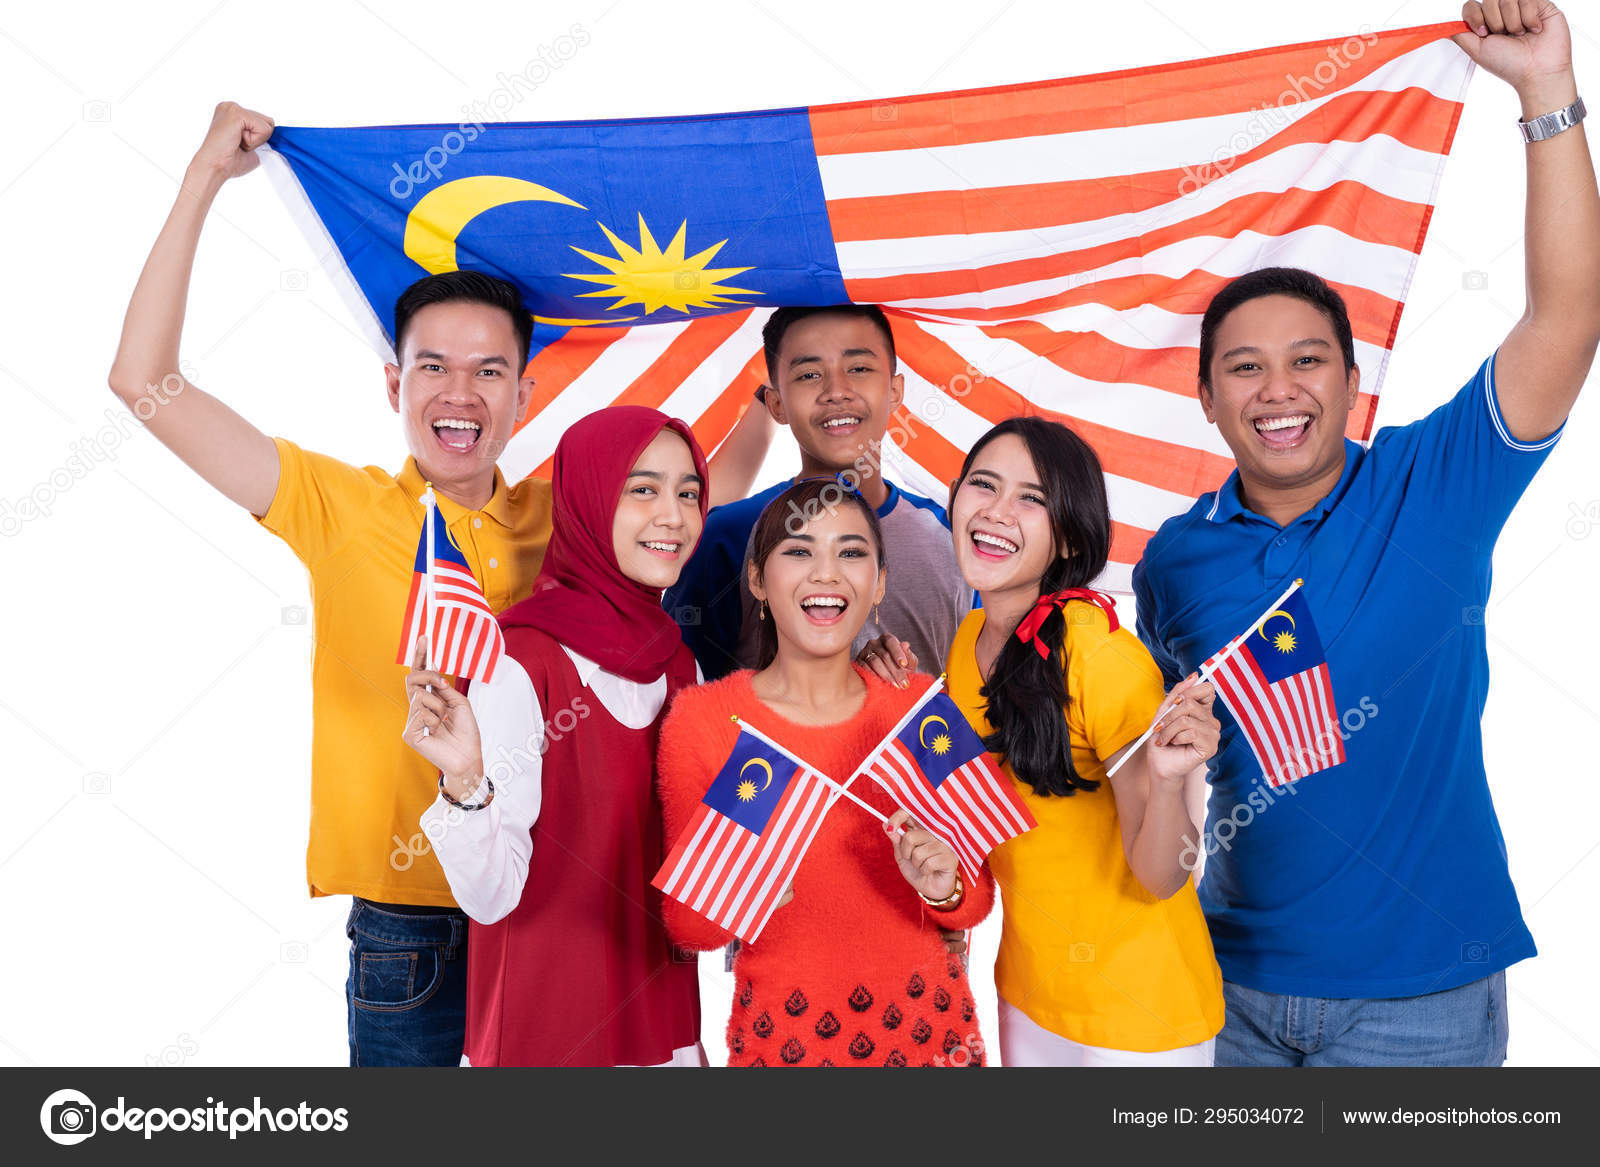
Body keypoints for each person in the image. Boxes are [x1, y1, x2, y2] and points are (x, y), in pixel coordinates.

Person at [105, 102, 771, 1065]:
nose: (461, 394)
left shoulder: (569, 519)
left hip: (555, 915)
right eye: (434, 369)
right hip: (414, 929)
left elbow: (698, 502)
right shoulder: (337, 506)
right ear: (393, 386)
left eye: (490, 371)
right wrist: (204, 177)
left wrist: (772, 384)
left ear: (526, 394)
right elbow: (143, 382)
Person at [1132, 2, 1600, 1067]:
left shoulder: (1436, 483)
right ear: (1206, 400)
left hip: (1422, 1002)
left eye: (1307, 360)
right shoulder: (1172, 561)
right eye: (1243, 368)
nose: (1278, 388)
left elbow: (1567, 316)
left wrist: (1542, 94)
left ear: (1353, 382)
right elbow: (1172, 763)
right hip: (1232, 986)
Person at [401, 406, 708, 1066]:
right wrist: (462, 783)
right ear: (588, 499)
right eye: (643, 488)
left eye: (689, 492)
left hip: (662, 1030)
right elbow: (490, 898)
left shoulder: (683, 667)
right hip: (545, 1037)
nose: (674, 516)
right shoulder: (522, 661)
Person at [657, 480, 995, 1066]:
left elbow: (978, 897)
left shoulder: (918, 707)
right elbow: (690, 928)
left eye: (851, 552)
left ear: (880, 582)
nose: (826, 573)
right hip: (783, 1043)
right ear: (758, 580)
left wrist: (946, 887)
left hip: (933, 1035)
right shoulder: (706, 719)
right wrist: (740, 890)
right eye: (798, 550)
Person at [941, 418, 1223, 1066]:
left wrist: (1174, 779)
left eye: (1031, 498)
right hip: (1027, 995)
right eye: (982, 484)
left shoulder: (1103, 661)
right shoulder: (968, 638)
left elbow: (1161, 876)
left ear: (1068, 533)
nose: (996, 510)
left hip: (1141, 1019)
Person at [665, 305, 971, 684]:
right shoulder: (725, 537)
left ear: (894, 390)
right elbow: (682, 696)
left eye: (858, 368)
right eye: (809, 374)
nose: (837, 392)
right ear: (776, 404)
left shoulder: (951, 538)